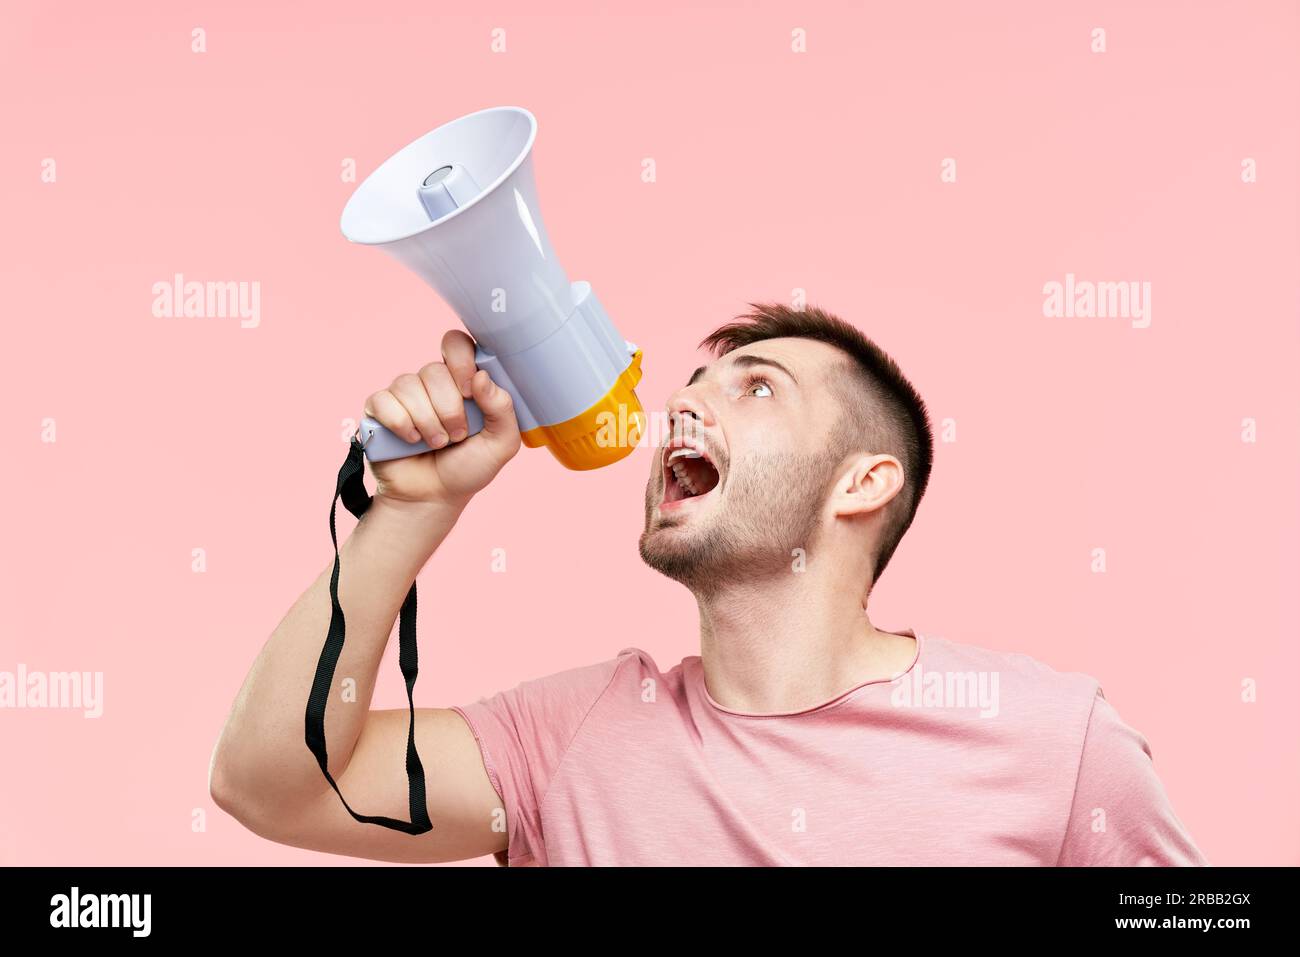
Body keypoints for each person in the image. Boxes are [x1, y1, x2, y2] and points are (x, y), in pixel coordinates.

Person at [209, 302, 1208, 867]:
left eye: (756, 387)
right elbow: (272, 785)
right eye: (692, 386)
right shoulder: (570, 738)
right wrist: (412, 513)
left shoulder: (1052, 738)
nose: (685, 404)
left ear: (864, 481)